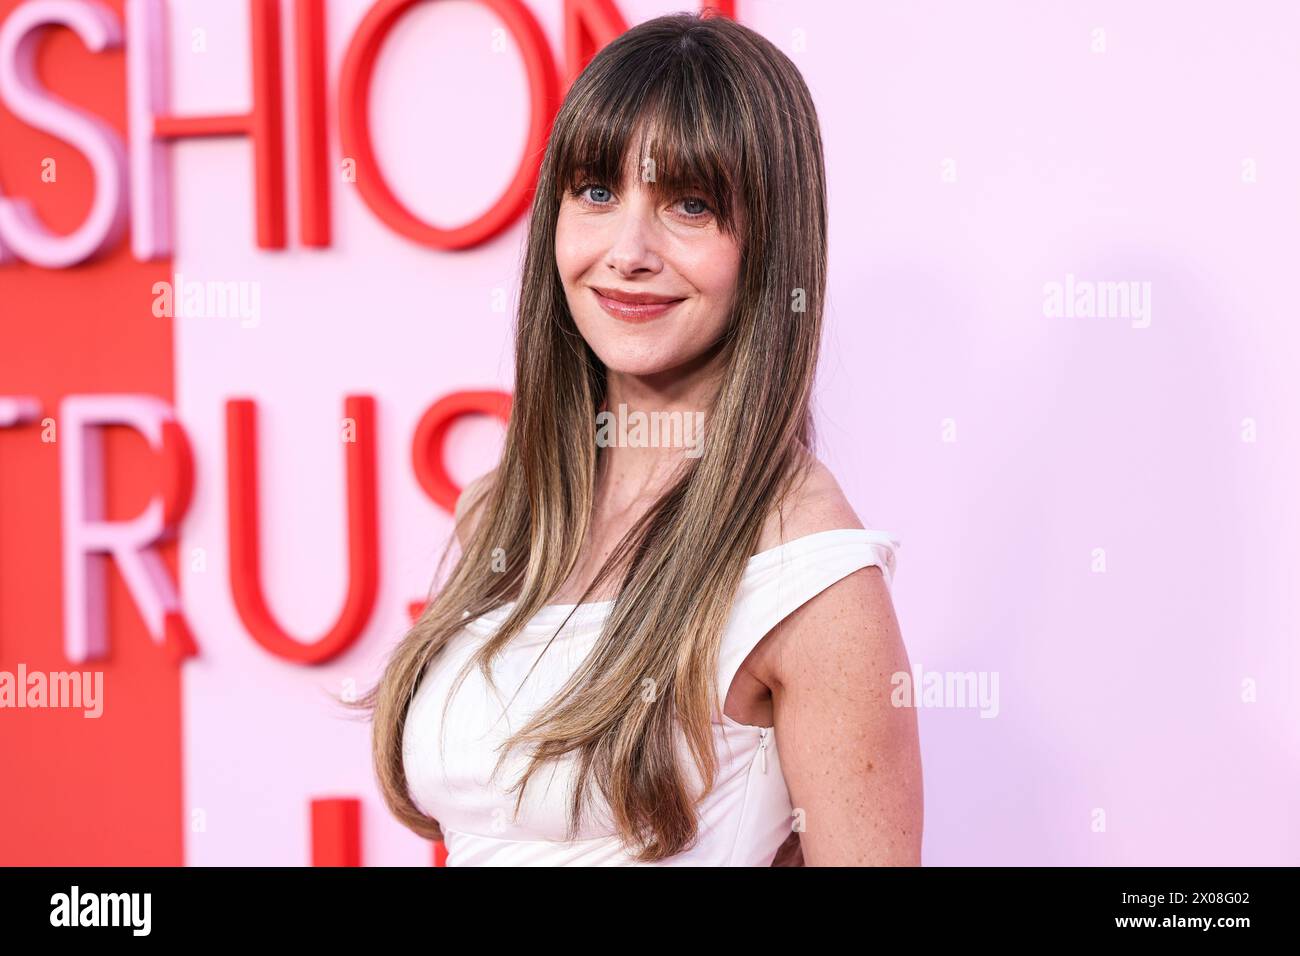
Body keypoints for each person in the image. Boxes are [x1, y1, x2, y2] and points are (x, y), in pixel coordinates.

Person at [353, 10, 923, 866]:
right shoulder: (501, 512)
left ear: (770, 245)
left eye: (689, 206)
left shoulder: (806, 570)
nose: (628, 251)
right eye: (596, 192)